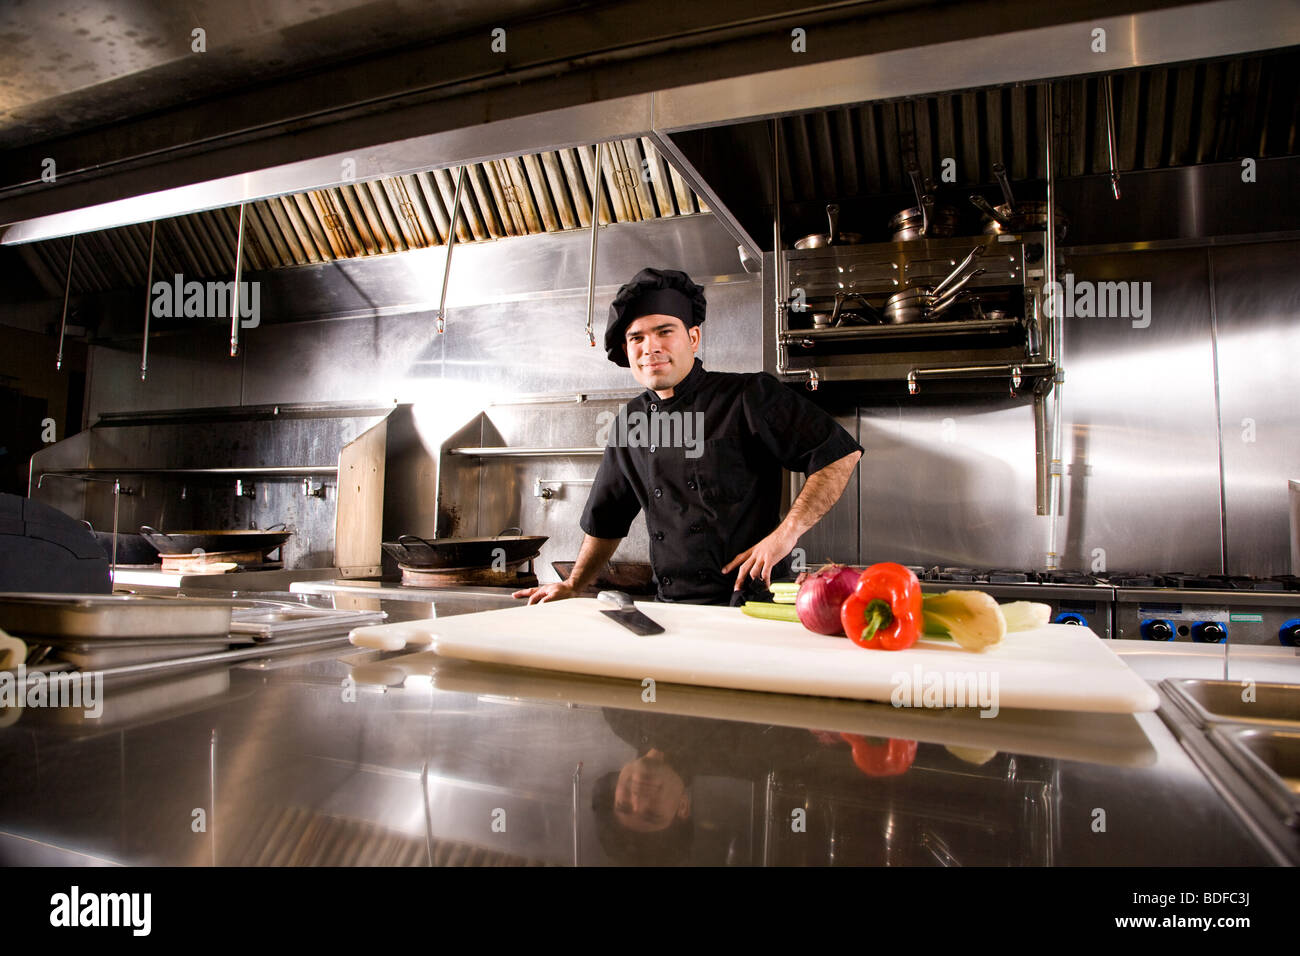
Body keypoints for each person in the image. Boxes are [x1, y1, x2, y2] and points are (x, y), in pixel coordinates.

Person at [513, 267, 862, 606]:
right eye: (637, 337)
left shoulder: (748, 395)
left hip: (753, 604)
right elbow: (607, 519)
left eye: (665, 332)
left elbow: (838, 454)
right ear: (627, 350)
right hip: (674, 607)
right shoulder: (631, 422)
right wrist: (574, 583)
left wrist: (786, 535)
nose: (650, 347)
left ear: (693, 338)